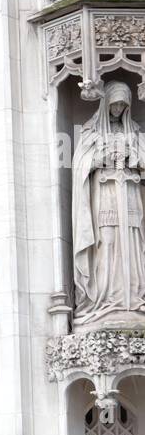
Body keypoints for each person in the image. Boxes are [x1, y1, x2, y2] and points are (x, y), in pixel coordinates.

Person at [72, 79, 145, 324]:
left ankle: (132, 297)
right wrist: (101, 157)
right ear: (106, 105)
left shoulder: (134, 131)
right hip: (105, 195)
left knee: (132, 244)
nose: (118, 110)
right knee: (108, 241)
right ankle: (104, 299)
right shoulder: (91, 132)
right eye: (114, 105)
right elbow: (81, 166)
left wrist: (131, 156)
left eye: (123, 106)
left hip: (130, 193)